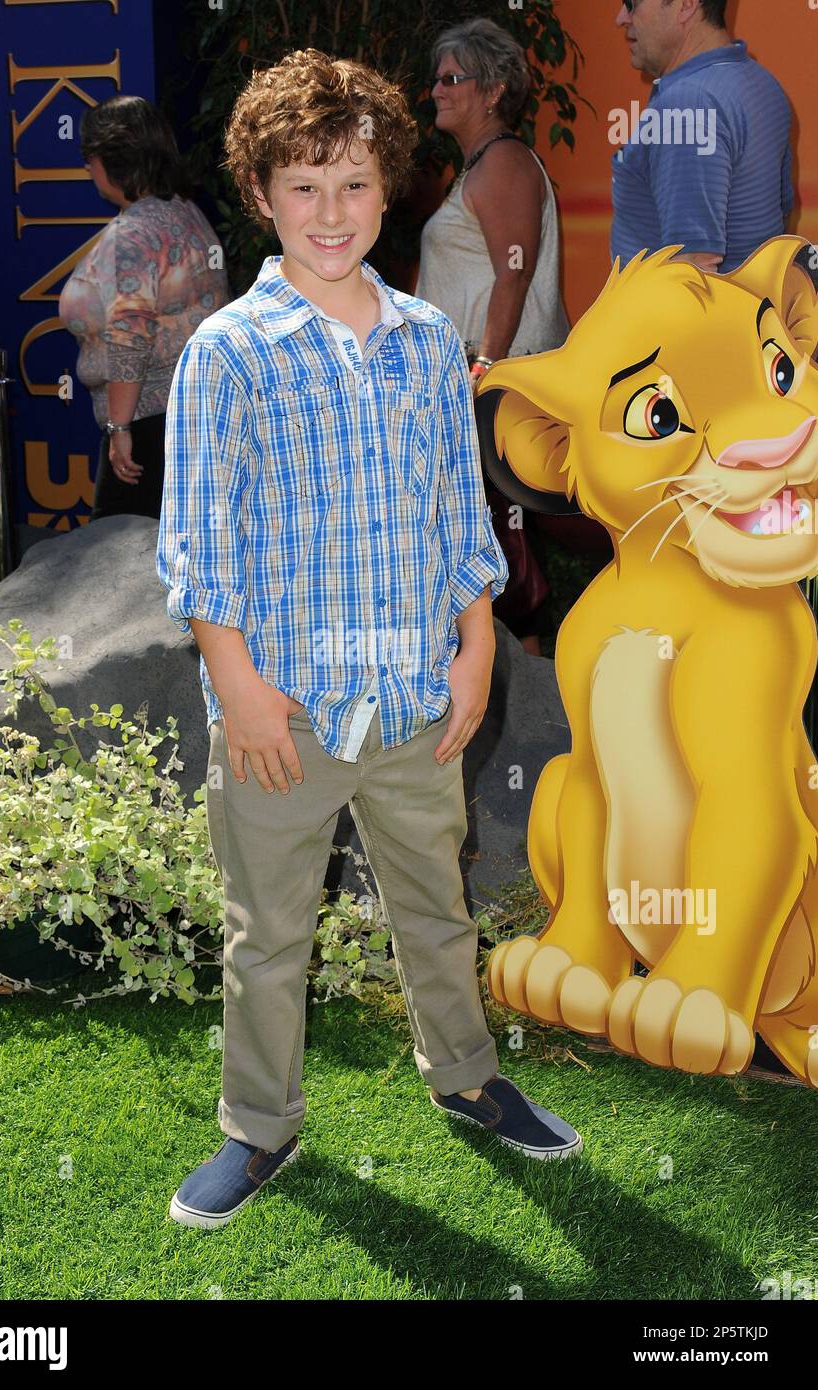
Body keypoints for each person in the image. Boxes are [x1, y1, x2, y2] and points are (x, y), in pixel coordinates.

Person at [156, 47, 583, 1232]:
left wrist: (478, 647)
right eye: (302, 186)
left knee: (434, 907)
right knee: (267, 933)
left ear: (387, 186)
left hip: (411, 701)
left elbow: (459, 516)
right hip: (280, 710)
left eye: (350, 182)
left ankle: (465, 1075)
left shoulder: (423, 346)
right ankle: (258, 1124)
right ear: (260, 194)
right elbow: (198, 547)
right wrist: (237, 690)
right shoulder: (226, 354)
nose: (329, 211)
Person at [416, 18, 570, 656]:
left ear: (495, 89)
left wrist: (484, 371)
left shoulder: (503, 161)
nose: (437, 91)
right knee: (497, 550)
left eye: (452, 78)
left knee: (504, 554)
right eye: (436, 79)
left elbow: (514, 275)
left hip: (500, 389)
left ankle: (527, 714)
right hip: (489, 387)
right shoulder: (482, 164)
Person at [59, 95, 230, 522]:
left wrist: (120, 429)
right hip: (192, 417)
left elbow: (130, 335)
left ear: (113, 158)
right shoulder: (187, 213)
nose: (86, 167)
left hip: (147, 426)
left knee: (116, 563)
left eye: (89, 155)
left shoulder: (133, 232)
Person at [611, 0, 794, 275]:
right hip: (752, 311)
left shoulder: (687, 104)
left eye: (632, 3)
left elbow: (694, 269)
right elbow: (781, 218)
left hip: (680, 315)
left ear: (685, 5)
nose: (621, 18)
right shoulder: (761, 82)